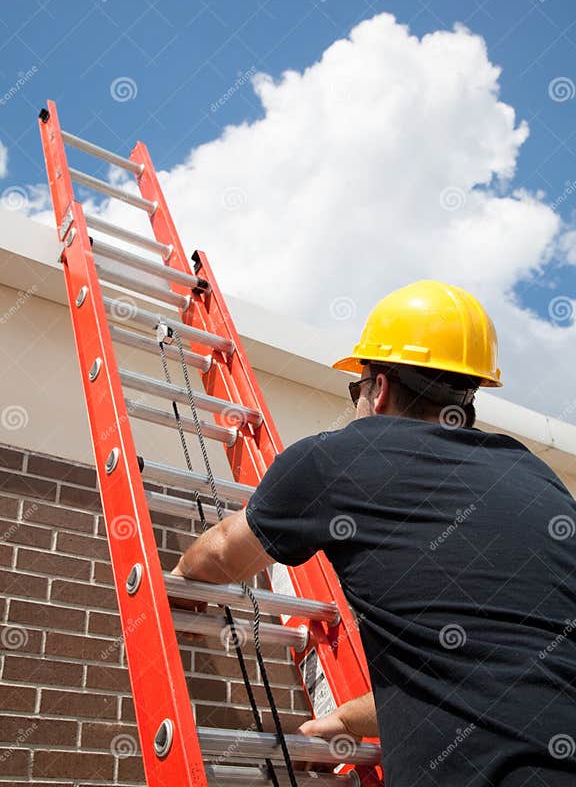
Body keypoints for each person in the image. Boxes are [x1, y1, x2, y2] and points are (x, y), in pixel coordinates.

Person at [171, 280, 576, 786]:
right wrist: (344, 720)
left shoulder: (337, 457)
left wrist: (183, 583)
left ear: (378, 387)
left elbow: (225, 556)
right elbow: (490, 669)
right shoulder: (537, 478)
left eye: (355, 388)